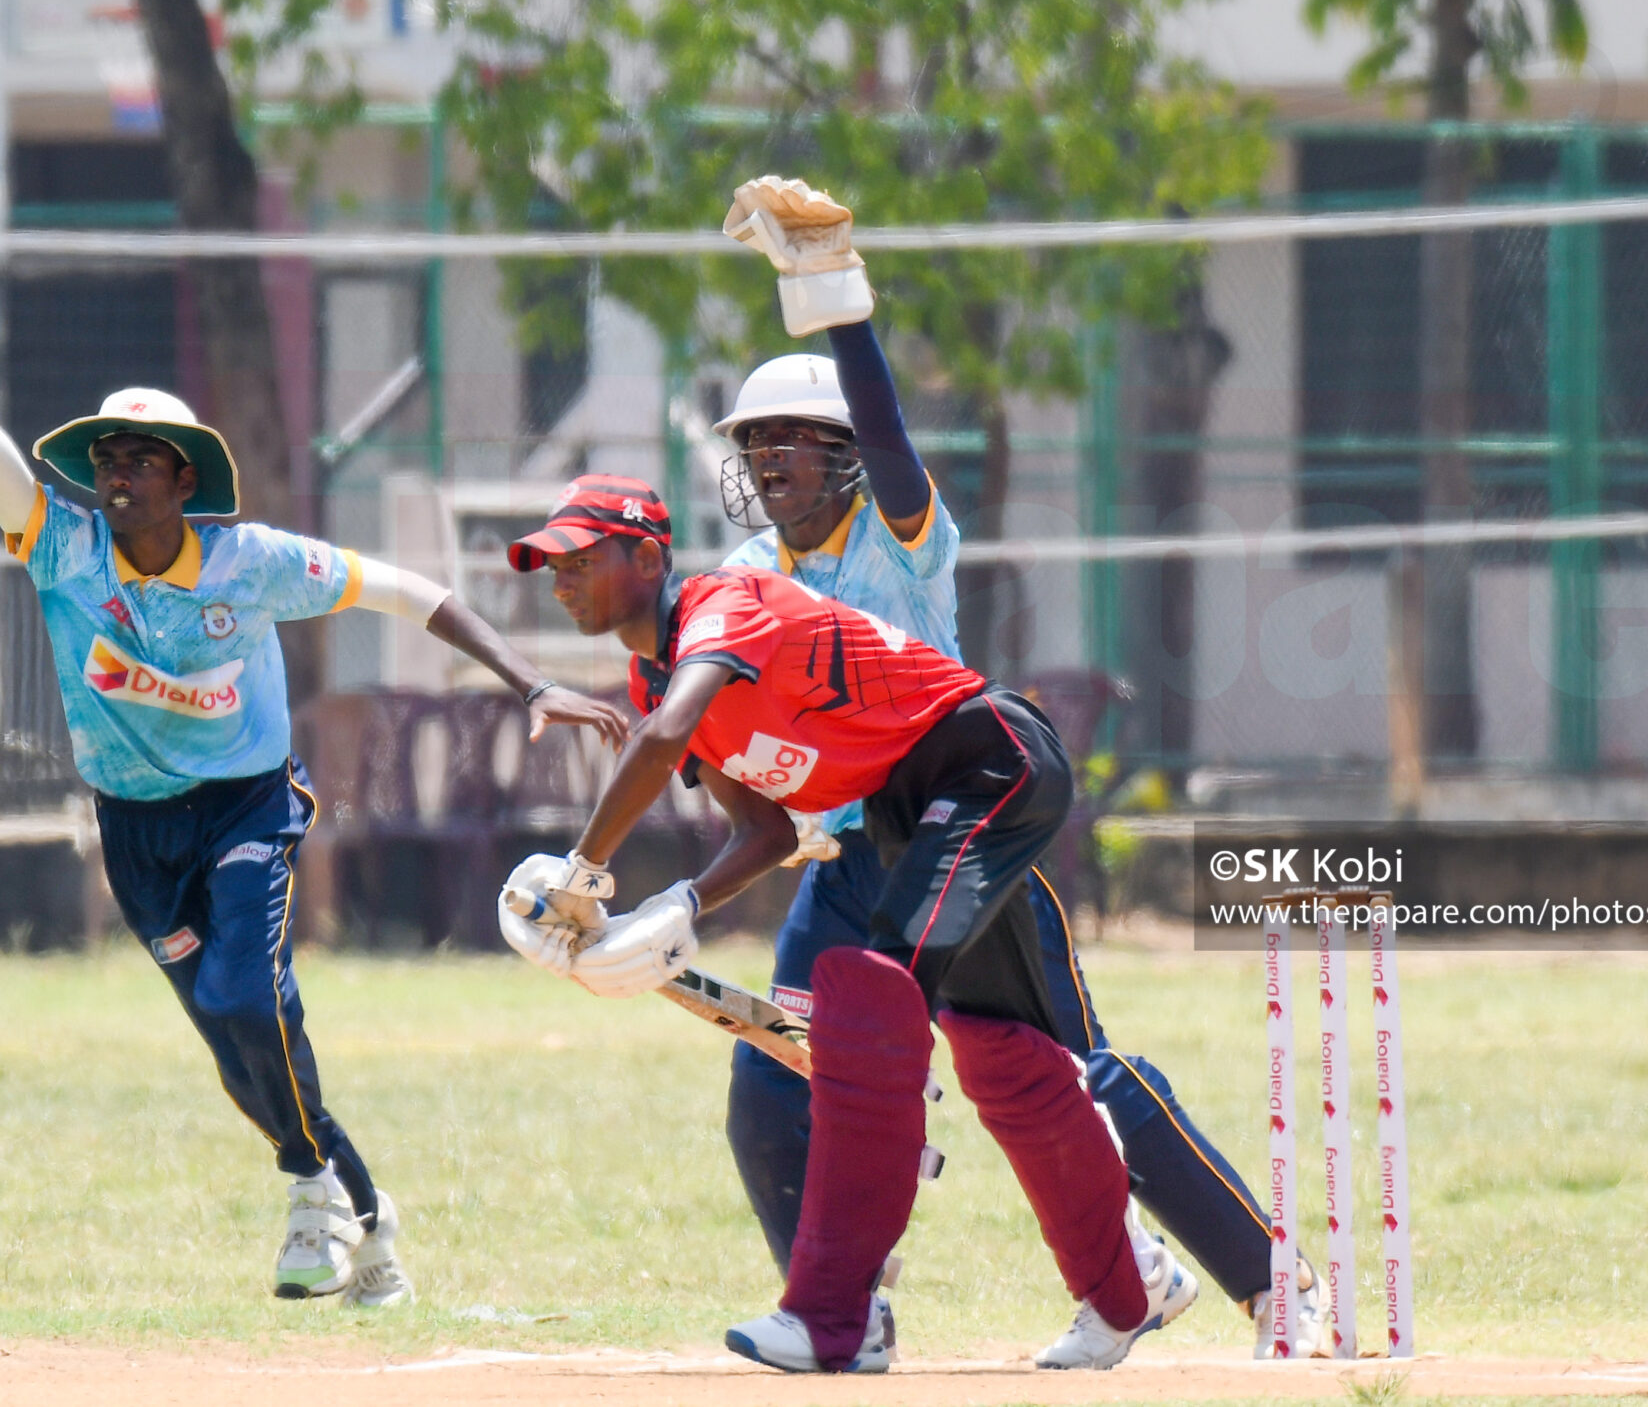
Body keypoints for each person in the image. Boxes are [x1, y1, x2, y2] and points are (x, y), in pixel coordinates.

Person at [0, 168, 628, 1307]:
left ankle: (307, 1192)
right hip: (135, 828)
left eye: (138, 460)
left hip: (246, 808)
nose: (113, 476)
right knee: (231, 1038)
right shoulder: (60, 547)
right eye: (104, 459)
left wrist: (530, 678)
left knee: (252, 999)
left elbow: (408, 593)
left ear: (184, 480)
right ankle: (363, 1205)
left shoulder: (247, 561)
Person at [701, 176, 1299, 1356]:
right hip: (848, 860)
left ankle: (1267, 1284)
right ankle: (847, 1310)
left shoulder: (904, 538)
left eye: (798, 441)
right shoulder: (748, 570)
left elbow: (886, 427)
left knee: (1075, 1086)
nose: (771, 457)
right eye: (755, 439)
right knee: (775, 1083)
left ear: (847, 461)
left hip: (962, 837)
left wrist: (831, 297)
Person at [497, 475, 1187, 1374]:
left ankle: (832, 1319)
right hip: (913, 810)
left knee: (870, 1012)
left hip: (987, 759)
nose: (562, 580)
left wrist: (583, 874)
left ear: (650, 559)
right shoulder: (651, 671)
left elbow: (663, 736)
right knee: (999, 1045)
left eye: (583, 560)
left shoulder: (722, 606)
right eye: (554, 565)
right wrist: (684, 903)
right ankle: (1125, 1293)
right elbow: (768, 828)